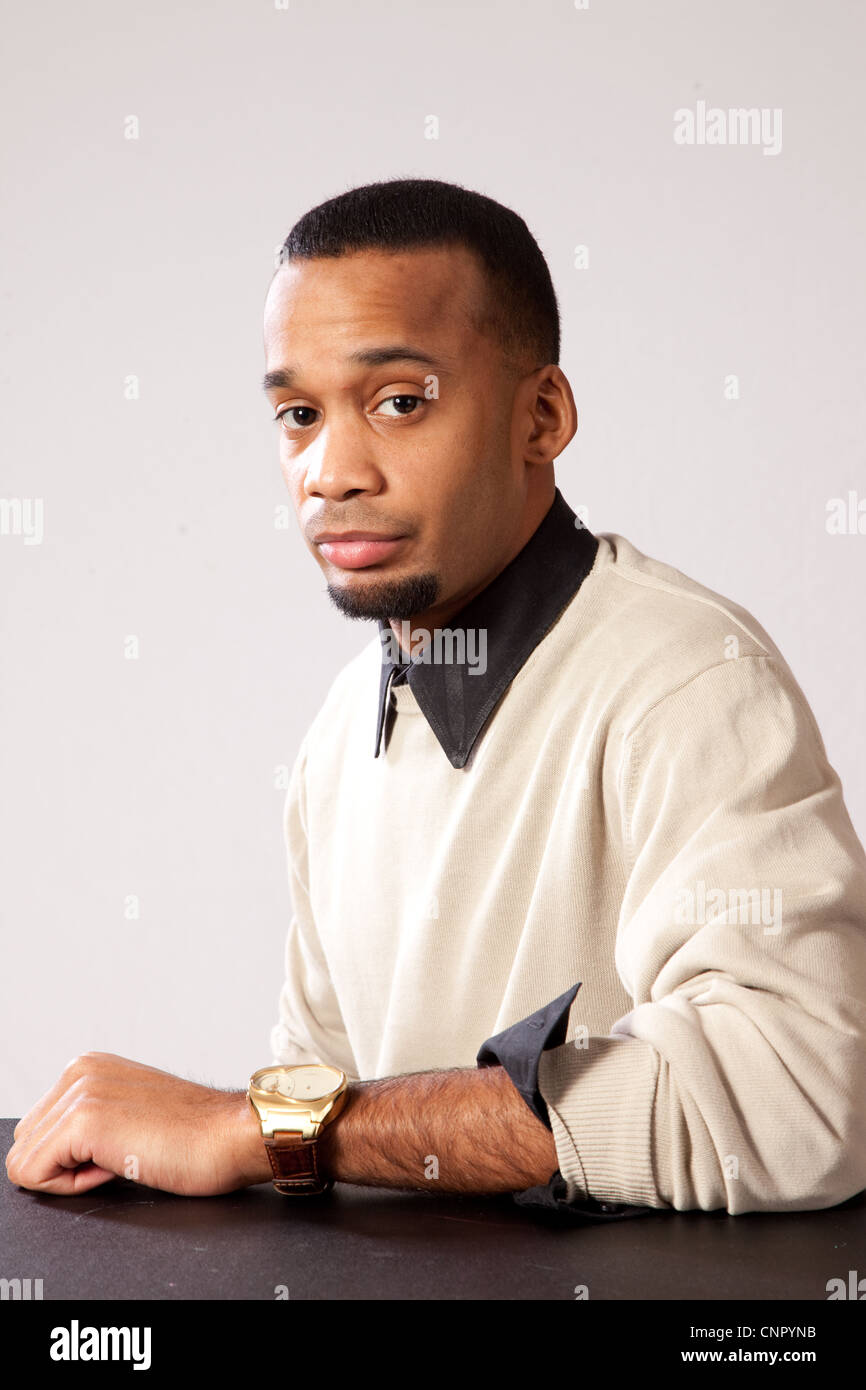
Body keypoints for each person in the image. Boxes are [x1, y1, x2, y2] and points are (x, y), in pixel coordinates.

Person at [7, 178, 866, 1219]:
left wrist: (252, 1125)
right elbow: (321, 1122)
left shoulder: (685, 680)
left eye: (398, 401)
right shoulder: (338, 731)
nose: (330, 472)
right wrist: (256, 1136)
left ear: (539, 416)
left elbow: (798, 1103)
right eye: (296, 414)